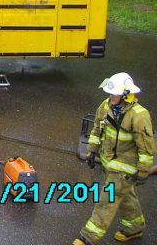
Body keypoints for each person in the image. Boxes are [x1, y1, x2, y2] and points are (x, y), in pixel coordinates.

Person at [73, 73, 154, 245]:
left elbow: (146, 148)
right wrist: (92, 151)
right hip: (109, 162)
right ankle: (134, 228)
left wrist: (143, 171)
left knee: (107, 200)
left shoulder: (139, 116)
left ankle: (88, 238)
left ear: (126, 95)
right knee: (125, 196)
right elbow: (97, 129)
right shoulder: (106, 106)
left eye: (114, 94)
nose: (111, 97)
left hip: (125, 167)